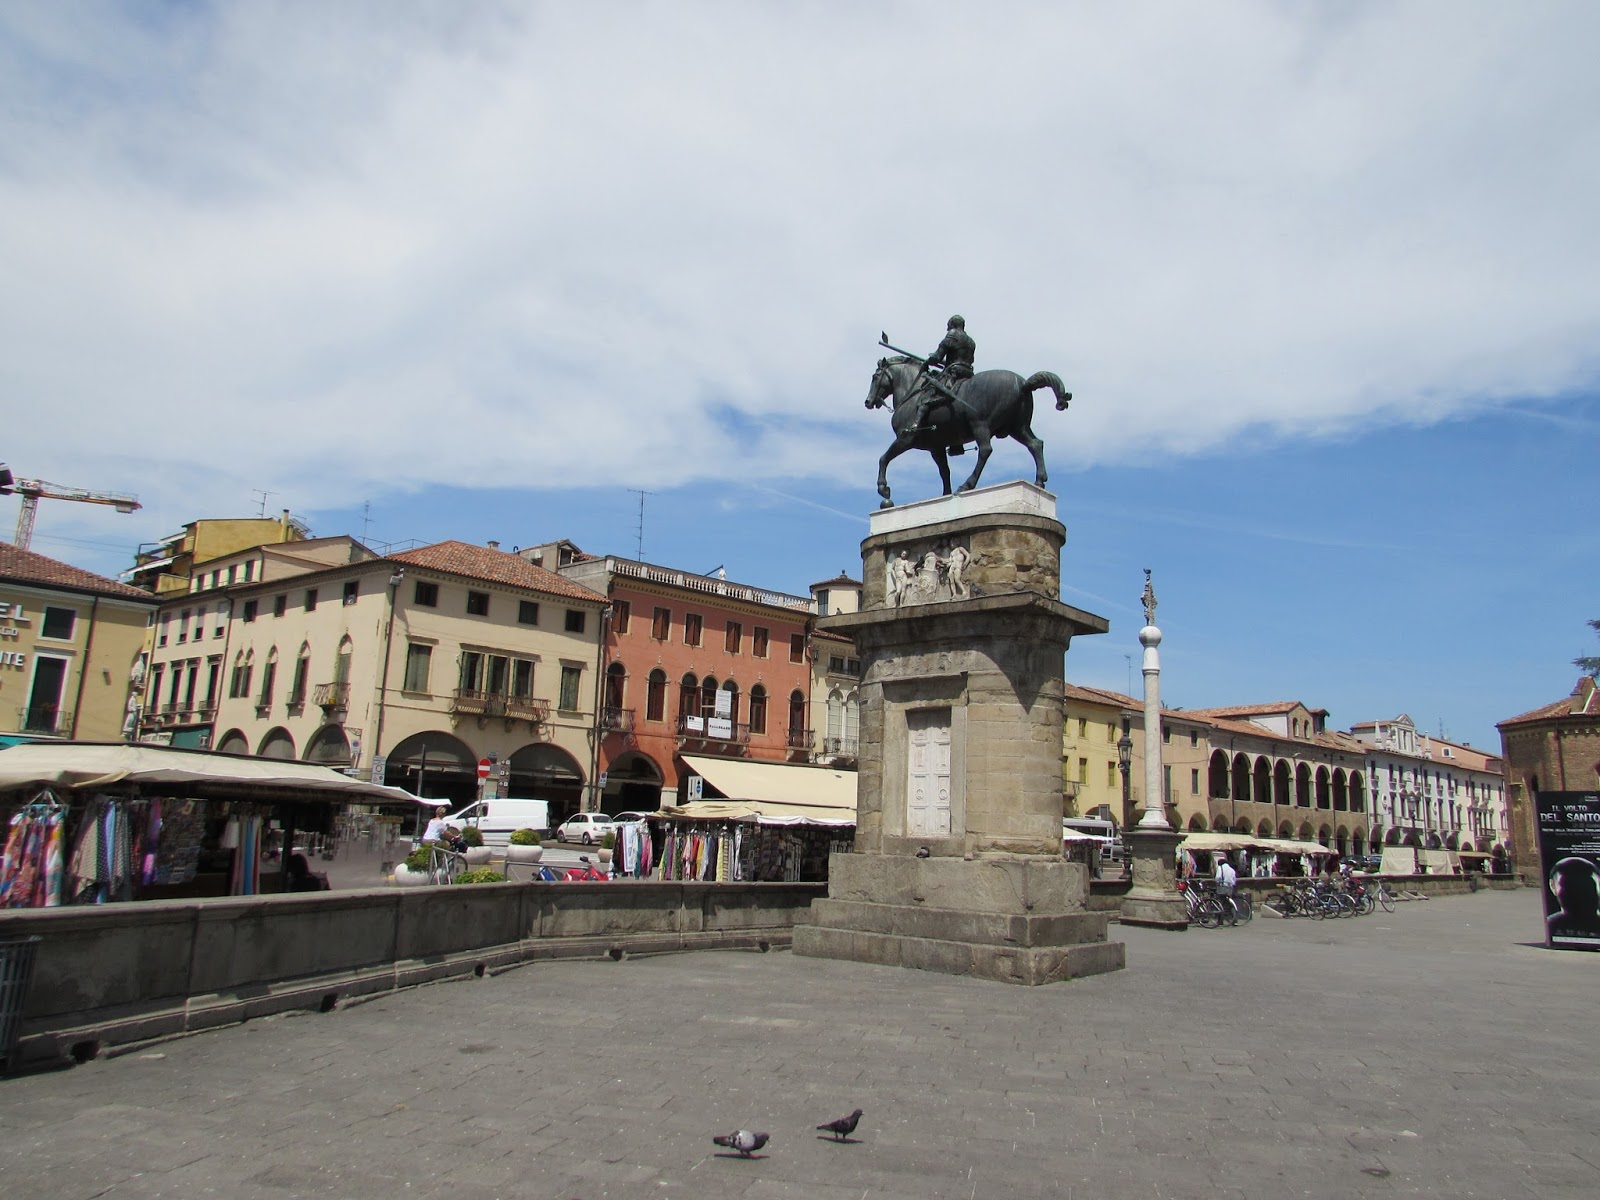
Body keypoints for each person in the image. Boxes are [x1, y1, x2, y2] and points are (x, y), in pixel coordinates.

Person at [908, 315, 976, 432]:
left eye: (948, 326)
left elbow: (937, 357)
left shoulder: (953, 334)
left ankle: (915, 425)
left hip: (954, 373)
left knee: (926, 395)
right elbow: (967, 359)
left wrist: (927, 362)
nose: (947, 329)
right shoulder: (971, 341)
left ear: (953, 325)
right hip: (968, 373)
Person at [1214, 855, 1239, 925]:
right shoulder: (1232, 870)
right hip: (1230, 888)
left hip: (1222, 888)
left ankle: (1220, 920)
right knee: (1230, 904)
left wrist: (1217, 883)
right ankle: (1234, 920)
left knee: (1220, 904)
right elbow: (1234, 880)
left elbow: (1218, 877)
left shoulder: (1220, 868)